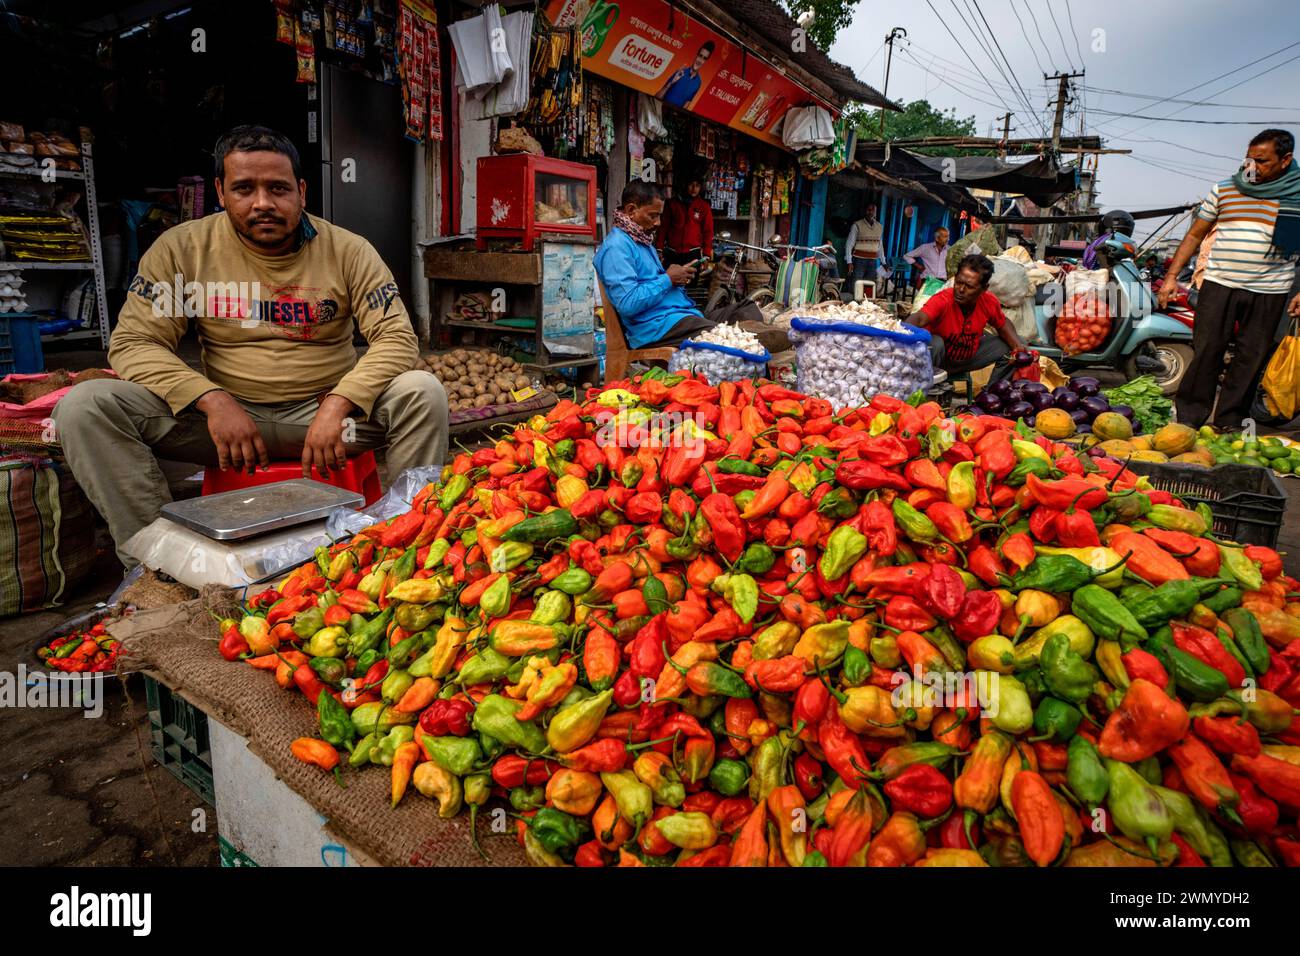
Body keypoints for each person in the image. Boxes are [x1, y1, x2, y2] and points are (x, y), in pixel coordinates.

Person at [54, 125, 447, 567]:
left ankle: (411, 543)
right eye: (244, 188)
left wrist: (339, 403)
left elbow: (396, 337)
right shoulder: (182, 249)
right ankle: (155, 563)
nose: (263, 203)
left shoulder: (348, 250)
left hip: (331, 428)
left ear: (300, 191)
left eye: (278, 188)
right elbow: (134, 342)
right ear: (220, 192)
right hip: (223, 431)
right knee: (86, 406)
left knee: (421, 391)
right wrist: (210, 399)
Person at [1158, 129, 1300, 429]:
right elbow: (1195, 234)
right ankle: (1188, 420)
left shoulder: (1297, 196)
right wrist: (1171, 277)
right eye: (1249, 158)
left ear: (1285, 160)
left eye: (1262, 161)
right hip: (1219, 284)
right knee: (1207, 351)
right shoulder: (1225, 189)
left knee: (1251, 358)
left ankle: (1230, 422)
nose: (1252, 166)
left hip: (1271, 290)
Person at [594, 179, 761, 349]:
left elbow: (655, 285)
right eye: (653, 215)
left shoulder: (642, 240)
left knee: (747, 309)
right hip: (656, 327)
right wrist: (668, 279)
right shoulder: (616, 247)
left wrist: (678, 277)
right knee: (723, 336)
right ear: (631, 210)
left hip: (678, 315)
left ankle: (750, 338)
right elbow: (628, 303)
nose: (658, 222)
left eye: (659, 215)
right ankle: (749, 341)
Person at [910, 253, 1025, 385]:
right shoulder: (943, 299)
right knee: (935, 342)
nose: (961, 289)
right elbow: (919, 318)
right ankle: (927, 390)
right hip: (938, 361)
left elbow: (1003, 323)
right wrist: (899, 334)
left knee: (1016, 345)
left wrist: (1019, 347)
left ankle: (992, 395)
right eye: (958, 283)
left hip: (969, 358)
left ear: (984, 289)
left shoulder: (988, 301)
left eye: (969, 286)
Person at [657, 175, 714, 267]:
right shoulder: (672, 204)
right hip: (672, 253)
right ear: (685, 185)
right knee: (670, 280)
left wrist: (707, 254)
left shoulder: (704, 206)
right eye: (691, 184)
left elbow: (708, 231)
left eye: (697, 185)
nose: (694, 188)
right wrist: (659, 248)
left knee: (691, 281)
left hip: (693, 253)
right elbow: (663, 227)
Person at [658, 42, 714, 109]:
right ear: (696, 55)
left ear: (705, 61)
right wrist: (670, 83)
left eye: (704, 58)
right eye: (700, 56)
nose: (700, 60)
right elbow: (657, 97)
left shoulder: (698, 83)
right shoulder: (681, 72)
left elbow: (687, 103)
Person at [845, 203, 883, 284]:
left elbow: (880, 246)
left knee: (870, 284)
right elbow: (849, 244)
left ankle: (866, 297)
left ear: (876, 212)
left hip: (873, 261)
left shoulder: (879, 227)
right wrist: (849, 261)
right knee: (857, 283)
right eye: (869, 210)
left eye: (873, 210)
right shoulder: (857, 225)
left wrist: (884, 262)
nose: (871, 212)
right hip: (859, 260)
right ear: (865, 211)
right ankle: (855, 297)